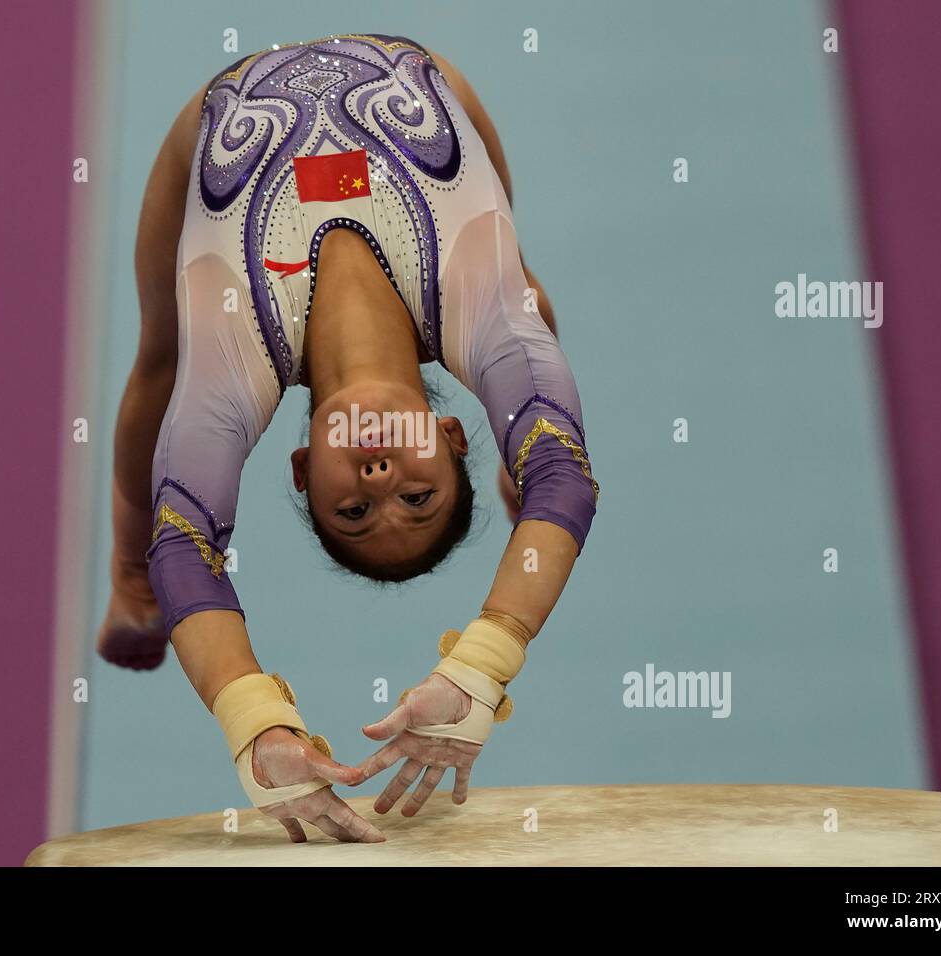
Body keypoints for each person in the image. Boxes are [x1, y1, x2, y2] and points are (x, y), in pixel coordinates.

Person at [97, 34, 599, 844]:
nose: (377, 477)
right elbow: (569, 486)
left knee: (162, 361)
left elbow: (187, 549)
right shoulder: (479, 306)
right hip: (432, 81)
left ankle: (125, 579)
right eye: (416, 493)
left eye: (354, 510)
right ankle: (521, 443)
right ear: (449, 434)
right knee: (522, 302)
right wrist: (481, 665)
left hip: (218, 111)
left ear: (301, 469)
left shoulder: (236, 360)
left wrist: (254, 724)